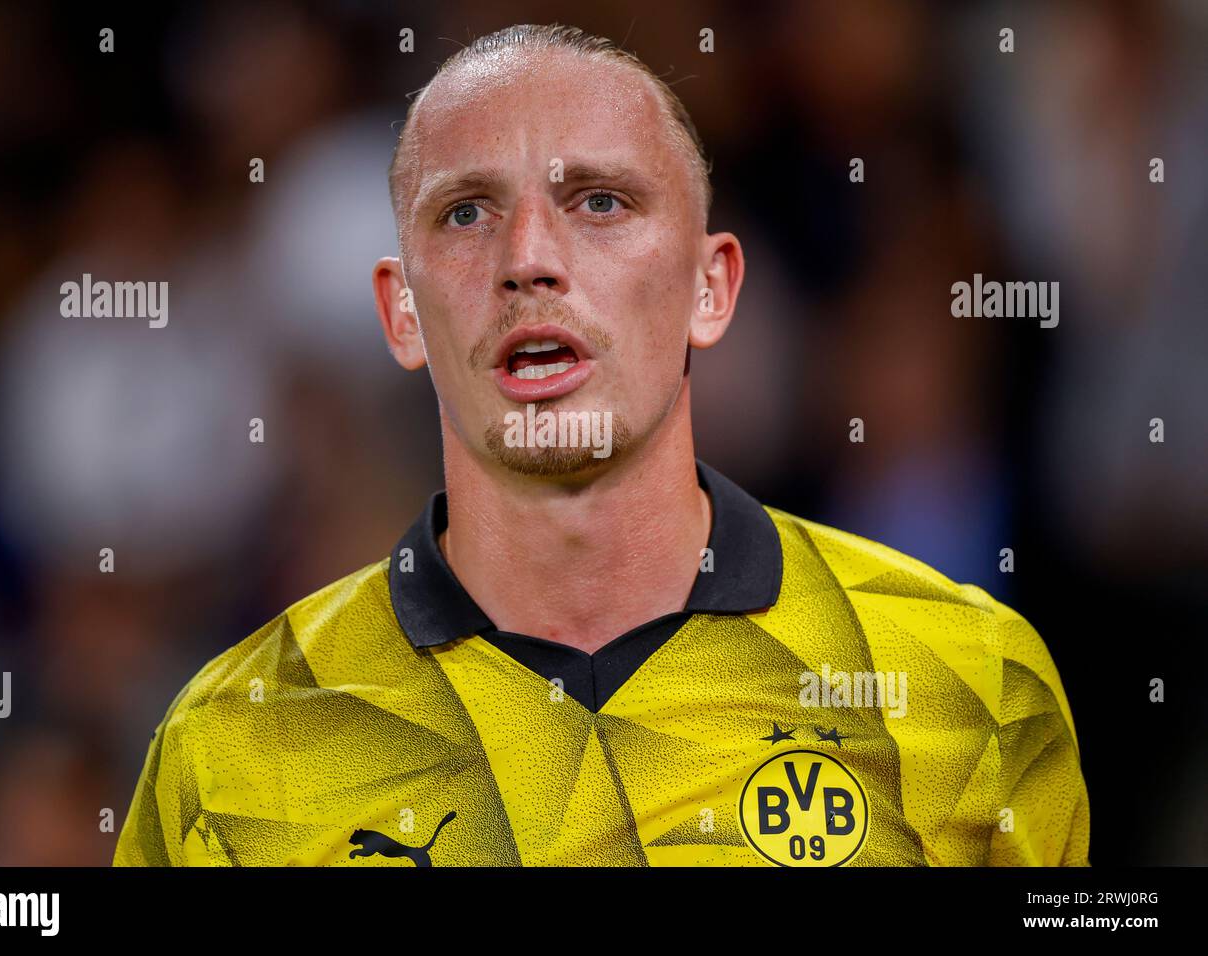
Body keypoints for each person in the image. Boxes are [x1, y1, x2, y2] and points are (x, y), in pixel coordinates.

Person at [115, 23, 1088, 867]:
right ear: (400, 313)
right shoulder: (230, 743)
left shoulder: (967, 679)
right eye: (466, 213)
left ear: (712, 289)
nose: (529, 260)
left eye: (599, 202)